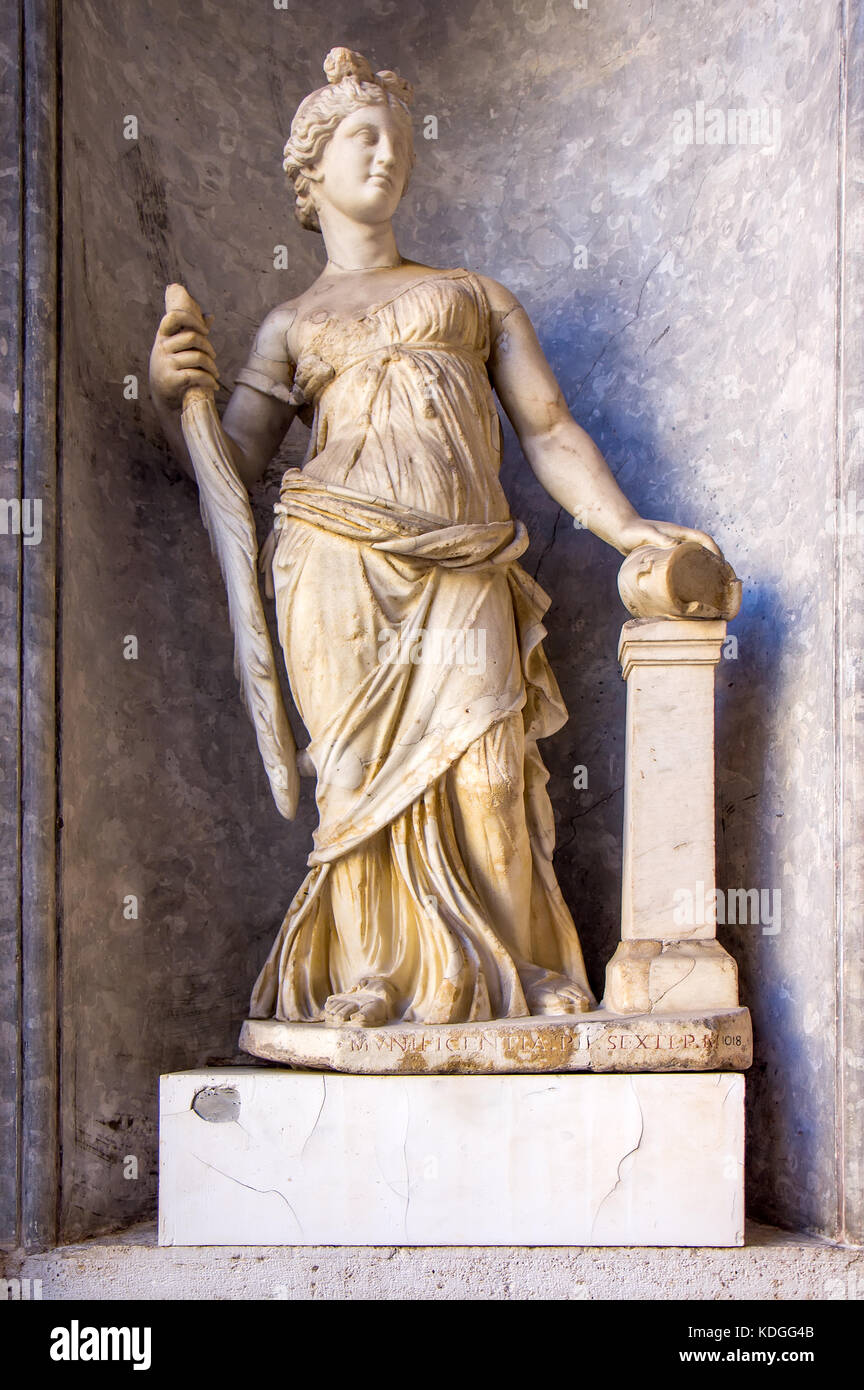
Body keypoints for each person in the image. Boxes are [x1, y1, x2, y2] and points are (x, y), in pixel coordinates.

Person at [149, 48, 720, 1027]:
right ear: (312, 169)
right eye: (361, 138)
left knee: (493, 776)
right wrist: (178, 399)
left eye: (397, 142)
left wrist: (622, 525)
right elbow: (230, 477)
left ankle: (530, 967)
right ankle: (373, 972)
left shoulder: (471, 294)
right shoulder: (291, 324)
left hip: (464, 560)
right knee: (361, 781)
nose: (385, 158)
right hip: (336, 561)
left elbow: (548, 428)